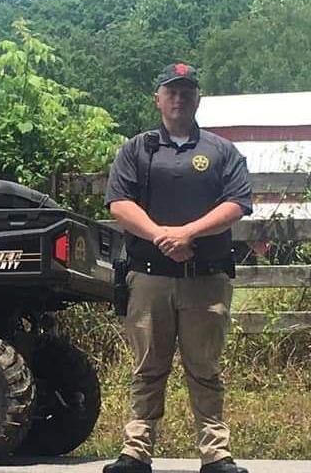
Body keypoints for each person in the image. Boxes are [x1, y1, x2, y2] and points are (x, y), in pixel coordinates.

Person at [102, 63, 252, 473]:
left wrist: (189, 233)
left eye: (187, 91)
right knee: (148, 369)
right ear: (158, 98)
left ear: (198, 98)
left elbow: (237, 203)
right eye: (171, 91)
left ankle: (215, 454)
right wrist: (161, 236)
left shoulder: (222, 151)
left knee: (205, 369)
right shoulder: (137, 149)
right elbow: (118, 203)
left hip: (206, 278)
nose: (179, 98)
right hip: (149, 278)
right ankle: (135, 451)